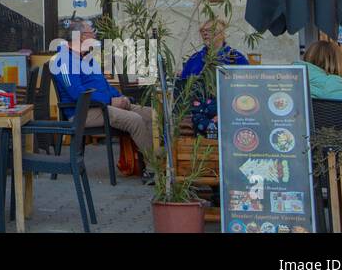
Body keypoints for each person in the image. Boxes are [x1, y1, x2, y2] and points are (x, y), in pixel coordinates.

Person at [50, 19, 155, 172]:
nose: (95, 36)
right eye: (92, 33)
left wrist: (121, 97)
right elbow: (77, 94)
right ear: (81, 37)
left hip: (102, 106)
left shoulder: (87, 58)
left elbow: (104, 85)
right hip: (82, 112)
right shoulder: (63, 61)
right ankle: (153, 170)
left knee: (153, 115)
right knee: (135, 120)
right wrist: (110, 101)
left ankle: (160, 162)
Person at [178, 19, 249, 137]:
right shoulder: (195, 58)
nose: (205, 33)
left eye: (210, 30)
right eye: (202, 31)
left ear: (222, 34)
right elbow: (183, 89)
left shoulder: (236, 58)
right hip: (198, 115)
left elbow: (247, 88)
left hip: (231, 113)